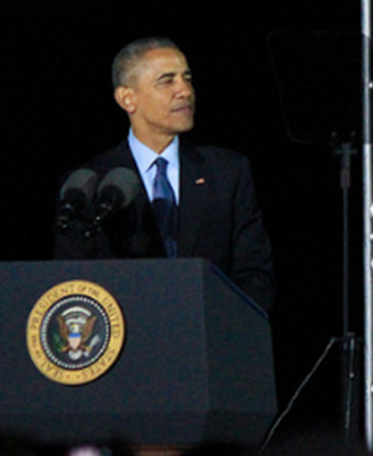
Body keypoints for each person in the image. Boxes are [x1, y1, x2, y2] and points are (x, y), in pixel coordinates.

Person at [54, 37, 275, 312]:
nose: (185, 91)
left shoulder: (227, 172)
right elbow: (73, 285)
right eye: (167, 81)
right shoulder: (89, 183)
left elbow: (254, 275)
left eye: (187, 78)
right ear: (127, 98)